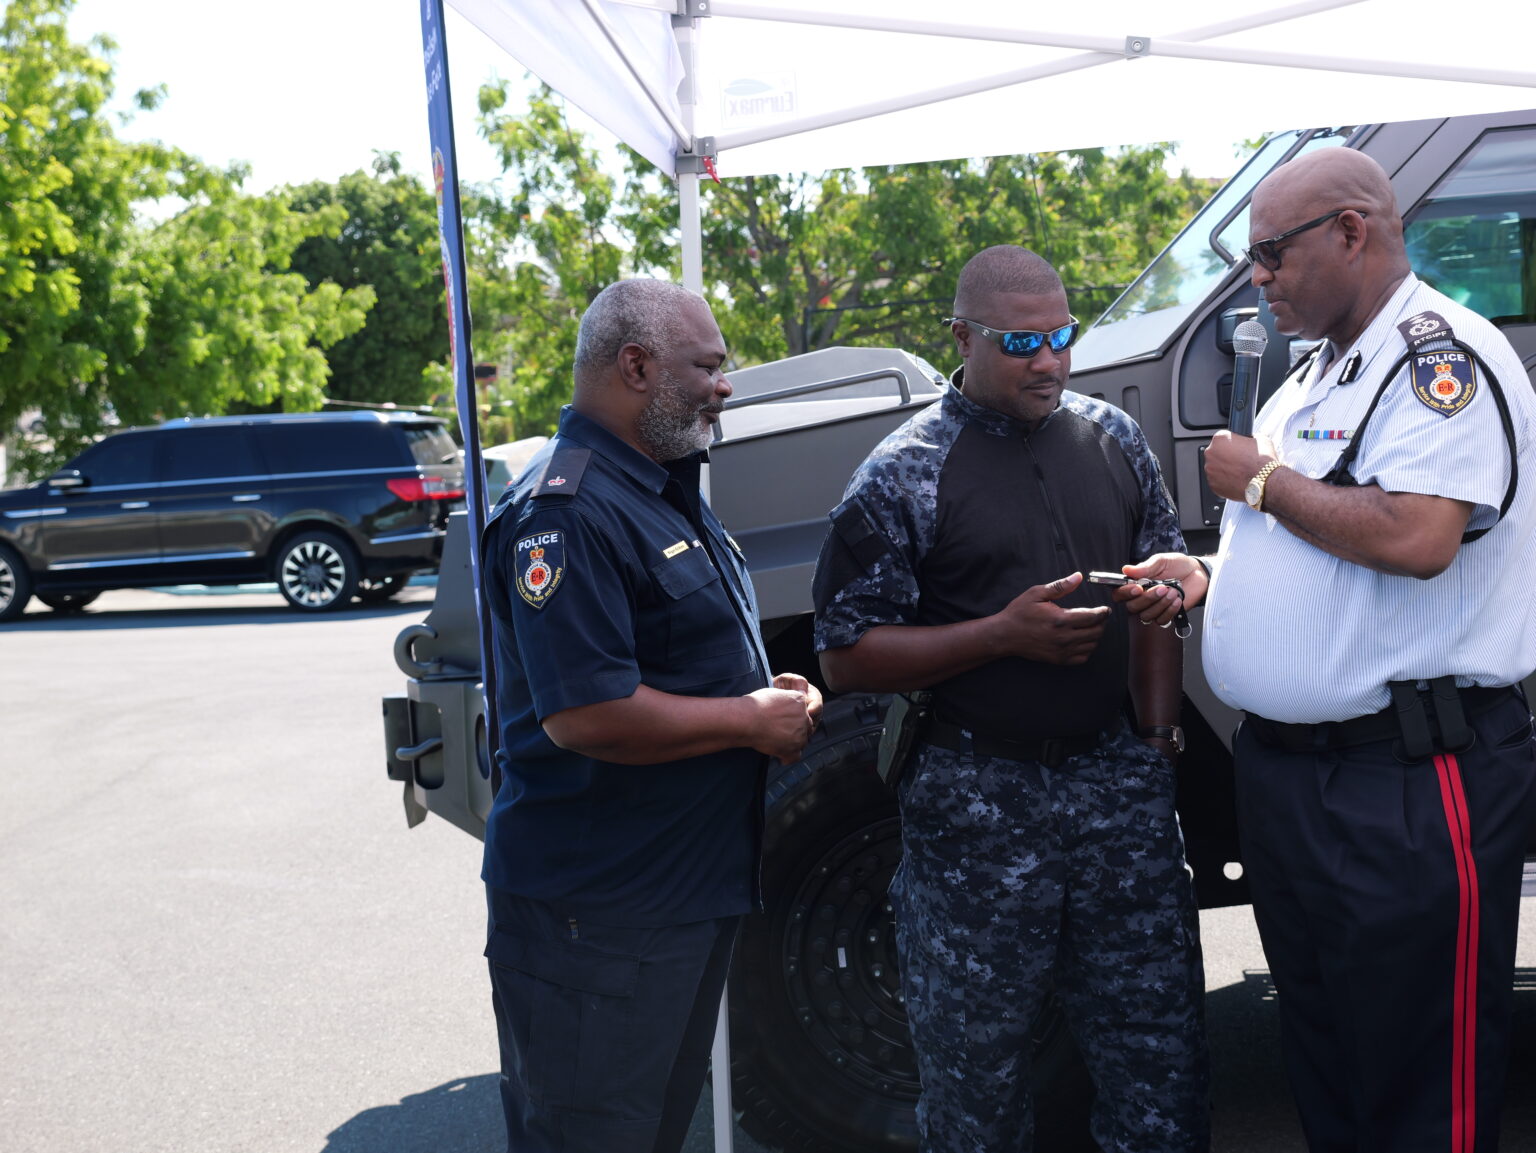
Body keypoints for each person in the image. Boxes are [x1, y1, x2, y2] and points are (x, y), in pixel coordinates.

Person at [1121, 148, 1536, 1152]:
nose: (1256, 277)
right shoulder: (1312, 378)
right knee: (1329, 1066)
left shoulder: (1440, 360)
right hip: (1297, 778)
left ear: (1351, 232)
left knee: (1415, 1087)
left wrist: (1259, 483)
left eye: (1269, 253)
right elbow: (1322, 546)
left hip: (1402, 777)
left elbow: (1416, 535)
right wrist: (1217, 578)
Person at [812, 245, 1211, 1153]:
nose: (1050, 361)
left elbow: (1157, 602)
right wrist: (1001, 634)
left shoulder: (1112, 439)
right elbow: (846, 656)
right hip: (977, 804)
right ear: (962, 337)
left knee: (1160, 1066)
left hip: (1118, 792)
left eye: (1062, 336)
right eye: (1021, 341)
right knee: (975, 1086)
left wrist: (1157, 743)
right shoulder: (903, 472)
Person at [478, 278, 823, 1153]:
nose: (725, 384)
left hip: (670, 900)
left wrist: (761, 690)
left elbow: (675, 654)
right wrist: (746, 719)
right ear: (636, 366)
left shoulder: (657, 486)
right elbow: (586, 714)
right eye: (708, 366)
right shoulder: (568, 511)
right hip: (597, 919)